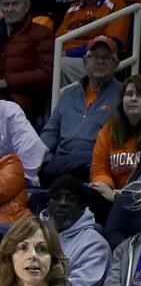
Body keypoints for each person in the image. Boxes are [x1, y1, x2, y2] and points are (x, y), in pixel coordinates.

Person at [42, 38, 121, 182]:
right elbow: (51, 131)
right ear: (85, 61)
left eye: (106, 58)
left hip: (94, 162)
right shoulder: (68, 94)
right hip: (61, 161)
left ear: (116, 64)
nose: (100, 61)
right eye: (95, 57)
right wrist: (42, 157)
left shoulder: (123, 95)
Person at [41, 177, 113, 286]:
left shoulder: (95, 245)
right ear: (48, 204)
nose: (62, 203)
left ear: (82, 208)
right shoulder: (30, 236)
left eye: (71, 199)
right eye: (56, 197)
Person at [91, 75, 141, 199]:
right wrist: (107, 188)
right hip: (112, 194)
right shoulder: (109, 130)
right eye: (129, 94)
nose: (133, 99)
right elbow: (100, 170)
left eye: (140, 95)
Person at [0, 0, 52, 118]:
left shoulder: (42, 34)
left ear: (27, 6)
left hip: (24, 100)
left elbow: (46, 73)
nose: (10, 9)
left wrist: (7, 81)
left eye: (15, 4)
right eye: (6, 4)